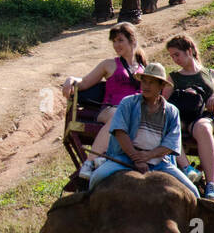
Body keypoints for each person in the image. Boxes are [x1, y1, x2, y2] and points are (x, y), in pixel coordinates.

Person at [88, 62, 199, 197]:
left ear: (162, 86)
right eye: (144, 81)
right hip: (124, 158)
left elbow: (171, 144)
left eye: (151, 82)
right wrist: (137, 159)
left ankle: (196, 219)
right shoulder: (128, 102)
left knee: (192, 191)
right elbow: (119, 132)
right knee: (96, 177)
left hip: (159, 163)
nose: (146, 86)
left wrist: (149, 156)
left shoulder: (172, 111)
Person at [61, 22, 148, 180]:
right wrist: (71, 79)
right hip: (111, 110)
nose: (116, 45)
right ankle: (90, 161)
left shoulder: (145, 68)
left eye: (120, 40)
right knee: (119, 114)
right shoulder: (108, 64)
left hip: (137, 114)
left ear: (132, 40)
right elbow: (85, 83)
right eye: (114, 41)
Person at [163, 33, 214, 201]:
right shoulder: (173, 77)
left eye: (177, 55)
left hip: (201, 118)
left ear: (189, 51)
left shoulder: (211, 74)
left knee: (202, 128)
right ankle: (187, 169)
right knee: (170, 125)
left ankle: (211, 183)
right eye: (172, 56)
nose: (175, 59)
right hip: (180, 117)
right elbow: (162, 103)